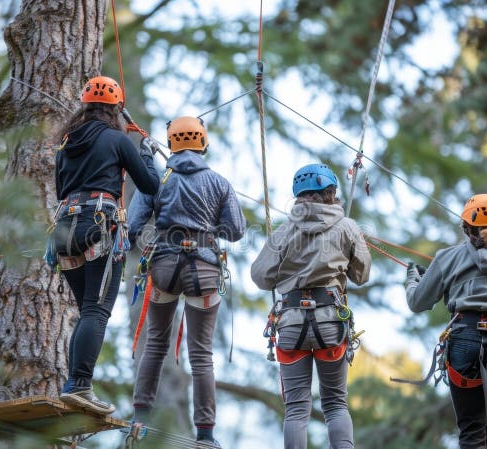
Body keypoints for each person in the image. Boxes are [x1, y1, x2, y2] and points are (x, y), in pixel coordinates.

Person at [127, 116, 246, 446]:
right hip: (204, 270)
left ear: (171, 144)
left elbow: (134, 224)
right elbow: (236, 230)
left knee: (155, 343)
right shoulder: (219, 182)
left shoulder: (159, 178)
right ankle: (206, 434)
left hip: (164, 267)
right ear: (203, 142)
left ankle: (140, 416)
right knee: (201, 354)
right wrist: (208, 231)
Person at [52, 75, 160, 414]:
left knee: (88, 311)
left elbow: (60, 190)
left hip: (65, 229)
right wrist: (147, 154)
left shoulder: (66, 142)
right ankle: (79, 385)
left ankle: (76, 384)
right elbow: (150, 185)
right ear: (116, 108)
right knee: (96, 311)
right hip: (99, 226)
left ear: (85, 106)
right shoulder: (117, 139)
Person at [404, 193, 487, 449]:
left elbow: (417, 302)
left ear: (466, 227)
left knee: (471, 427)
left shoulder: (448, 258)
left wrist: (413, 279)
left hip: (464, 342)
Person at [250, 163, 371, 449]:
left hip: (291, 325)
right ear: (331, 192)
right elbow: (361, 275)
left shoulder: (285, 231)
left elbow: (260, 276)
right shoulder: (347, 227)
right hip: (330, 323)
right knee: (335, 404)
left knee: (296, 409)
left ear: (299, 195)